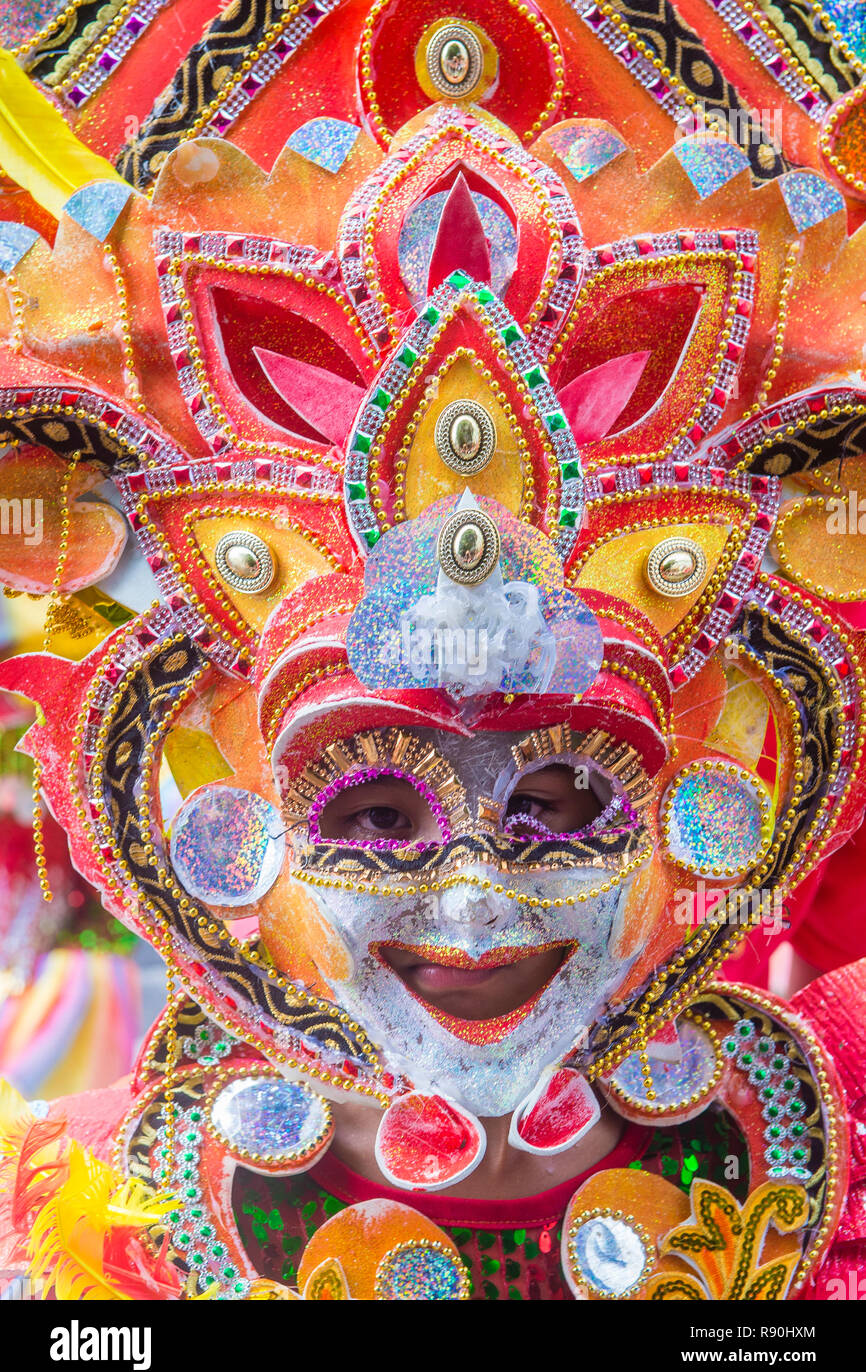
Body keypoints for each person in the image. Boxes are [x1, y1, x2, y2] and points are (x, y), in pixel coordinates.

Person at [1, 0, 866, 1302]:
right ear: (230, 811)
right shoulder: (64, 1229)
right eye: (377, 810)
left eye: (562, 799)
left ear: (710, 793)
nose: (471, 901)